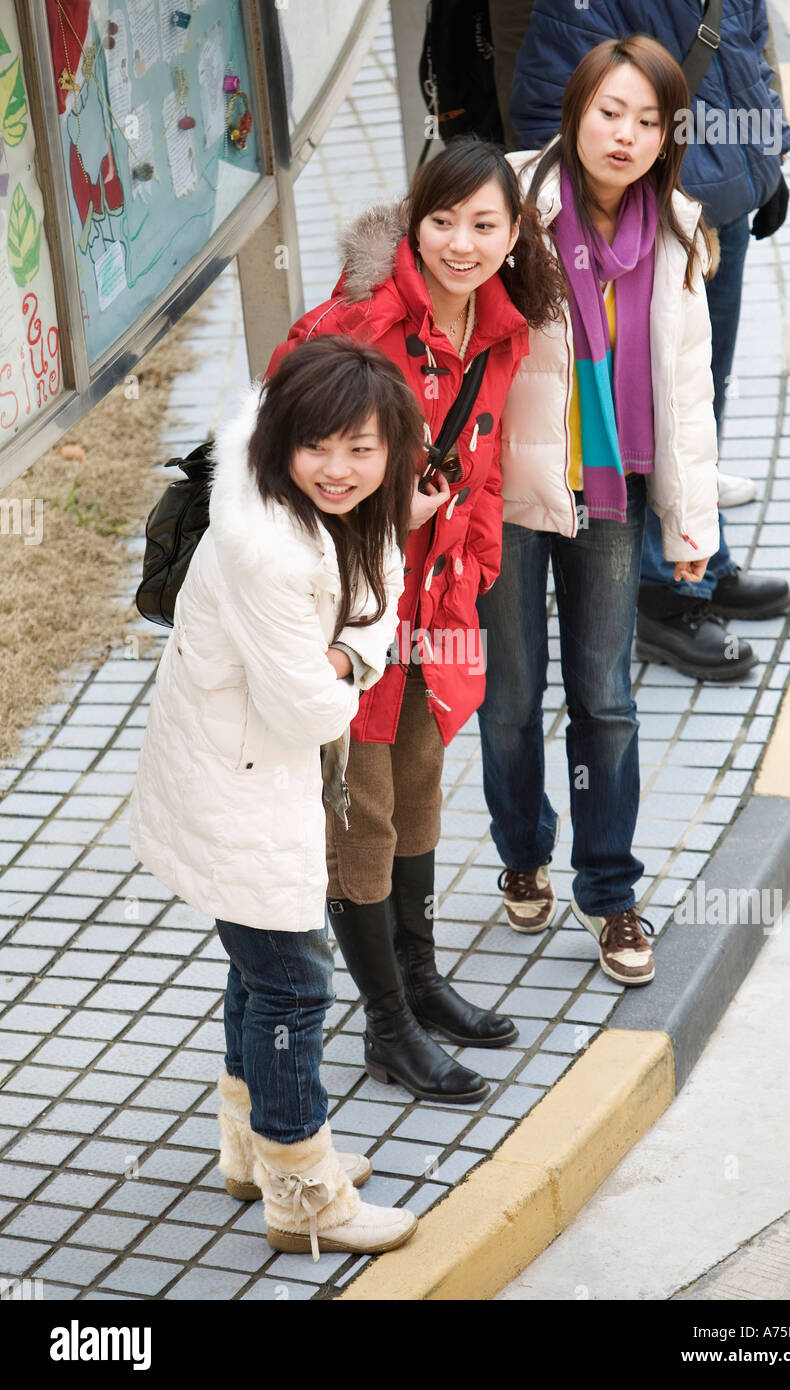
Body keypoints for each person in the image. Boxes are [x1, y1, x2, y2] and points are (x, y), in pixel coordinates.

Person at [267, 138, 566, 1103]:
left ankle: (421, 977)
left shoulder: (501, 327)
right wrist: (386, 517)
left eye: (486, 225)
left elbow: (478, 466)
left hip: (436, 608)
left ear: (515, 233)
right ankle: (387, 1024)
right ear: (414, 219)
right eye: (443, 221)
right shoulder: (359, 323)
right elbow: (288, 453)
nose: (461, 244)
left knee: (421, 785)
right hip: (354, 609)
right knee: (363, 813)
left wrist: (476, 565)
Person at [129, 337, 422, 1259]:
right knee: (295, 984)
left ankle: (253, 1148)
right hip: (245, 784)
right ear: (281, 442)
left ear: (392, 451)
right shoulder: (269, 550)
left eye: (362, 450)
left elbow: (374, 586)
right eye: (319, 447)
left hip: (234, 773)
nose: (339, 470)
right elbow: (310, 706)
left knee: (257, 969)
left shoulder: (290, 500)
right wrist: (353, 655)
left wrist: (345, 643)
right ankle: (304, 1195)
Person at [478, 36, 718, 982]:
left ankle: (610, 891)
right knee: (508, 694)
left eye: (648, 121)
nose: (625, 135)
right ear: (576, 111)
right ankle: (523, 849)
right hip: (512, 485)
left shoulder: (679, 230)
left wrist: (690, 524)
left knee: (606, 700)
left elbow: (688, 390)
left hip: (613, 491)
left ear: (668, 137)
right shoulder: (511, 199)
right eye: (609, 112)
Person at [510, 0, 790, 681]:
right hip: (652, 232)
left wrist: (772, 155)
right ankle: (664, 595)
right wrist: (659, 208)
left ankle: (703, 557)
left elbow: (752, 59)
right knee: (650, 401)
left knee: (698, 390)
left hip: (719, 211)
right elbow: (552, 108)